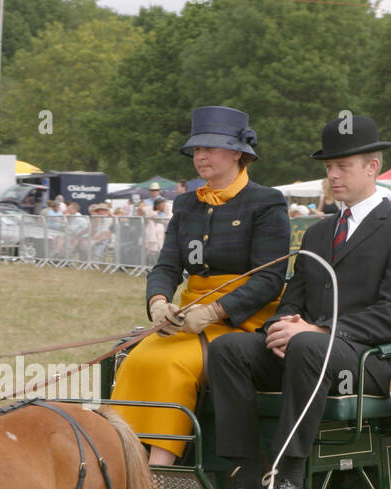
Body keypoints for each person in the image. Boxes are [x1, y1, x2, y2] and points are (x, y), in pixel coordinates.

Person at [208, 113, 391, 489]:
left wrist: (316, 329)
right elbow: (294, 294)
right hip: (307, 351)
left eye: (343, 166)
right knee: (228, 349)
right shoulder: (316, 232)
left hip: (369, 358)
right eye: (329, 167)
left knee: (310, 345)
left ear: (373, 167)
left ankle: (290, 478)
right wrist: (284, 324)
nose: (334, 175)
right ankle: (243, 475)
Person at [110, 105, 290, 466]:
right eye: (196, 149)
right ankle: (121, 459)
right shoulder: (186, 205)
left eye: (210, 148)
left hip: (243, 322)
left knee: (173, 364)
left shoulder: (266, 203)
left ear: (238, 153)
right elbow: (167, 265)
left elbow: (270, 279)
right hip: (187, 319)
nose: (201, 156)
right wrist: (159, 302)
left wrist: (215, 311)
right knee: (136, 358)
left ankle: (159, 470)